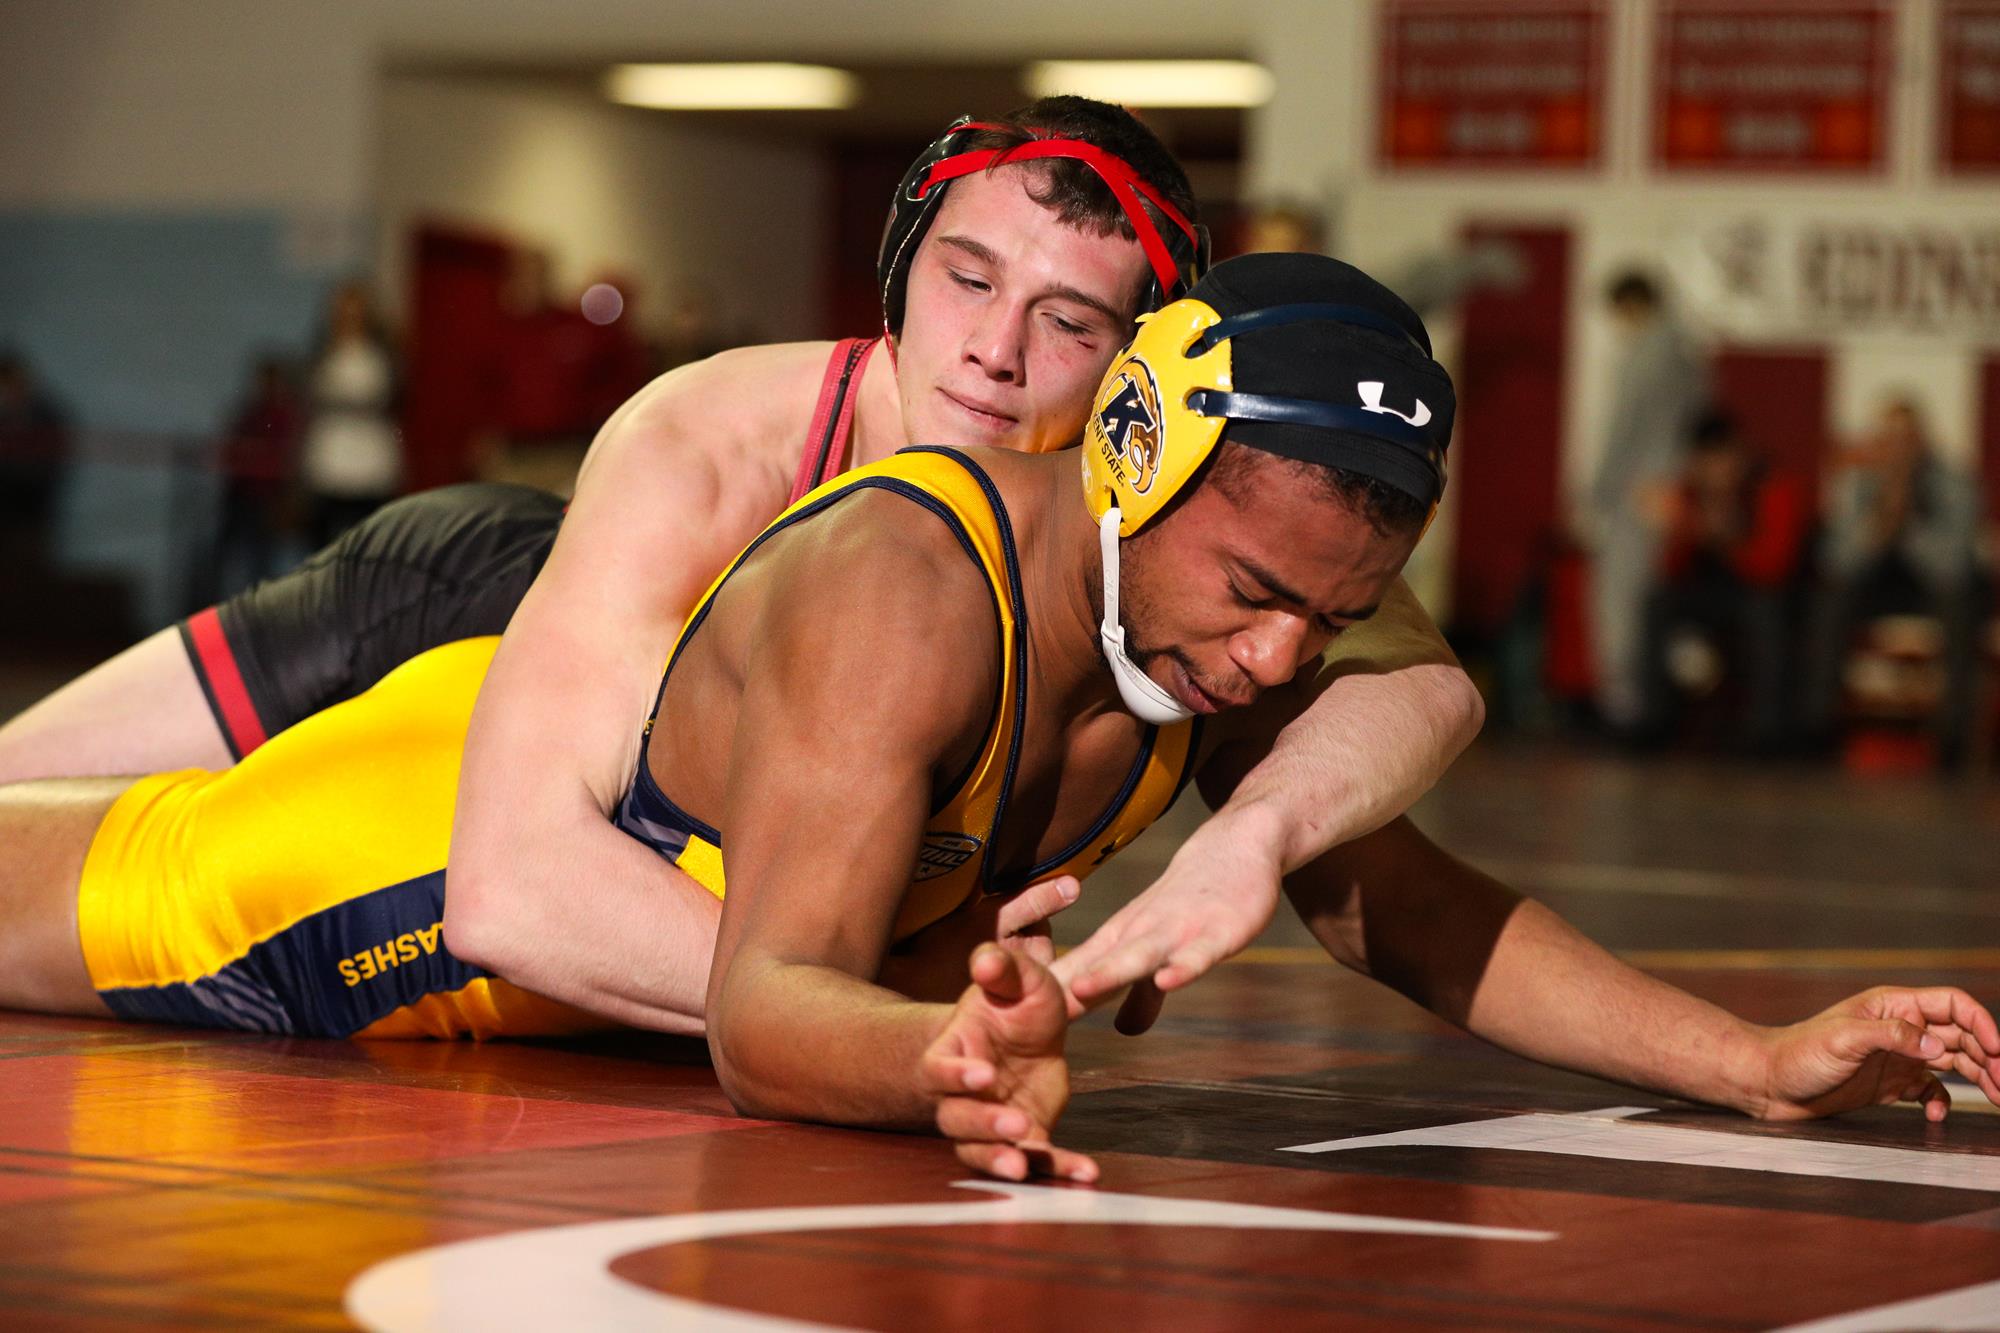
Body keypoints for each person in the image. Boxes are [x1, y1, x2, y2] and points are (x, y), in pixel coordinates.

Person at [2, 255, 1991, 1192]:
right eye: (1258, 598)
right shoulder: (911, 593)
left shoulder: (1198, 609)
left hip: (602, 767)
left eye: (1329, 613)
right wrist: (933, 1050)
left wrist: (1751, 1059)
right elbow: (771, 1004)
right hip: (359, 883)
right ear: (1130, 454)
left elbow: (1390, 897)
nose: (1284, 660)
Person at [0, 98, 1483, 1013]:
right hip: (452, 598)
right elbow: (519, 886)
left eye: (1070, 325)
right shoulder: (710, 438)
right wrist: (869, 1005)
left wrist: (1258, 834)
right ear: (904, 269)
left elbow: (1417, 682)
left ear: (1146, 380)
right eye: (966, 279)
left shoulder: (1171, 508)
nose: (994, 348)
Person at [1800, 396, 1986, 769]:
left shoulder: (1955, 482)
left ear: (1924, 441)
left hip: (1929, 588)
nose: (1898, 449)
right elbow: (1838, 562)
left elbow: (1952, 567)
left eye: (1908, 438)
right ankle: (1815, 724)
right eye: (1890, 438)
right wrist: (1881, 521)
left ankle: (1952, 733)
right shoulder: (1855, 482)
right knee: (1831, 598)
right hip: (1874, 587)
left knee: (1961, 602)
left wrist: (1909, 522)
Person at [1632, 411, 1811, 750]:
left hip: (1759, 591)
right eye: (1706, 460)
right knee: (1656, 602)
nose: (1716, 469)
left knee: (1765, 612)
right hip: (1707, 592)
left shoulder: (1772, 488)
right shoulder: (1688, 494)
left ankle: (1767, 730)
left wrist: (1728, 542)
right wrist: (1687, 528)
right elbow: (1672, 570)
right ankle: (1653, 719)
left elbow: (1774, 567)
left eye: (1723, 457)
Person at [1586, 271, 1708, 735]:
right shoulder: (1689, 354)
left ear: (1631, 304)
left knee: (1621, 603)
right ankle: (1660, 700)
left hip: (1634, 489)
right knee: (1657, 600)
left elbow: (1625, 428)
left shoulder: (1644, 355)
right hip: (1672, 488)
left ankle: (1626, 710)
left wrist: (1598, 491)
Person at [300, 280, 402, 547]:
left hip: (370, 463)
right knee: (322, 545)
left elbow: (392, 397)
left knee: (369, 544)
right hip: (329, 460)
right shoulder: (322, 354)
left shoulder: (382, 355)